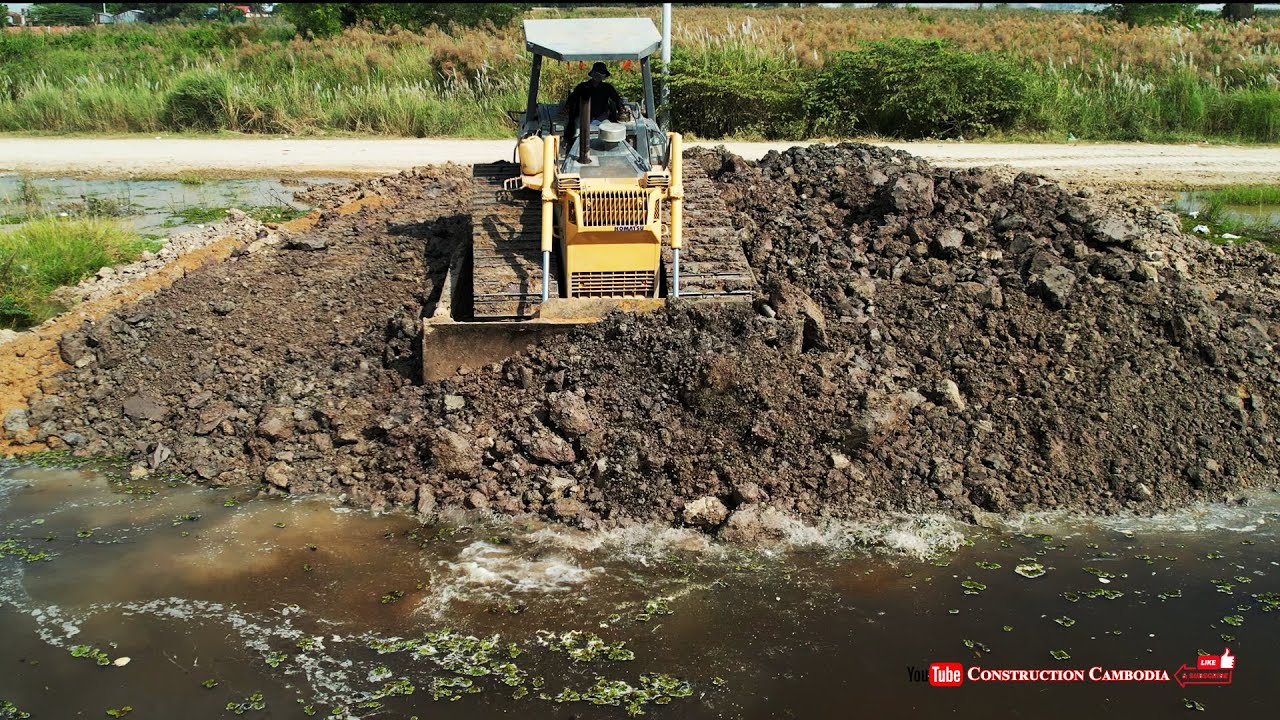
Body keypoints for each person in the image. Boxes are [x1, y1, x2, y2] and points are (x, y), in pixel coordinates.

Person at [560, 62, 625, 152]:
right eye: (597, 73)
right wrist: (566, 109)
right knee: (577, 135)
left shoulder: (607, 88)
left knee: (609, 135)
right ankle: (575, 151)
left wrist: (622, 108)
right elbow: (572, 99)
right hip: (583, 119)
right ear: (592, 74)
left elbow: (617, 99)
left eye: (601, 74)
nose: (598, 76)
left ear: (604, 76)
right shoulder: (582, 87)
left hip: (602, 119)